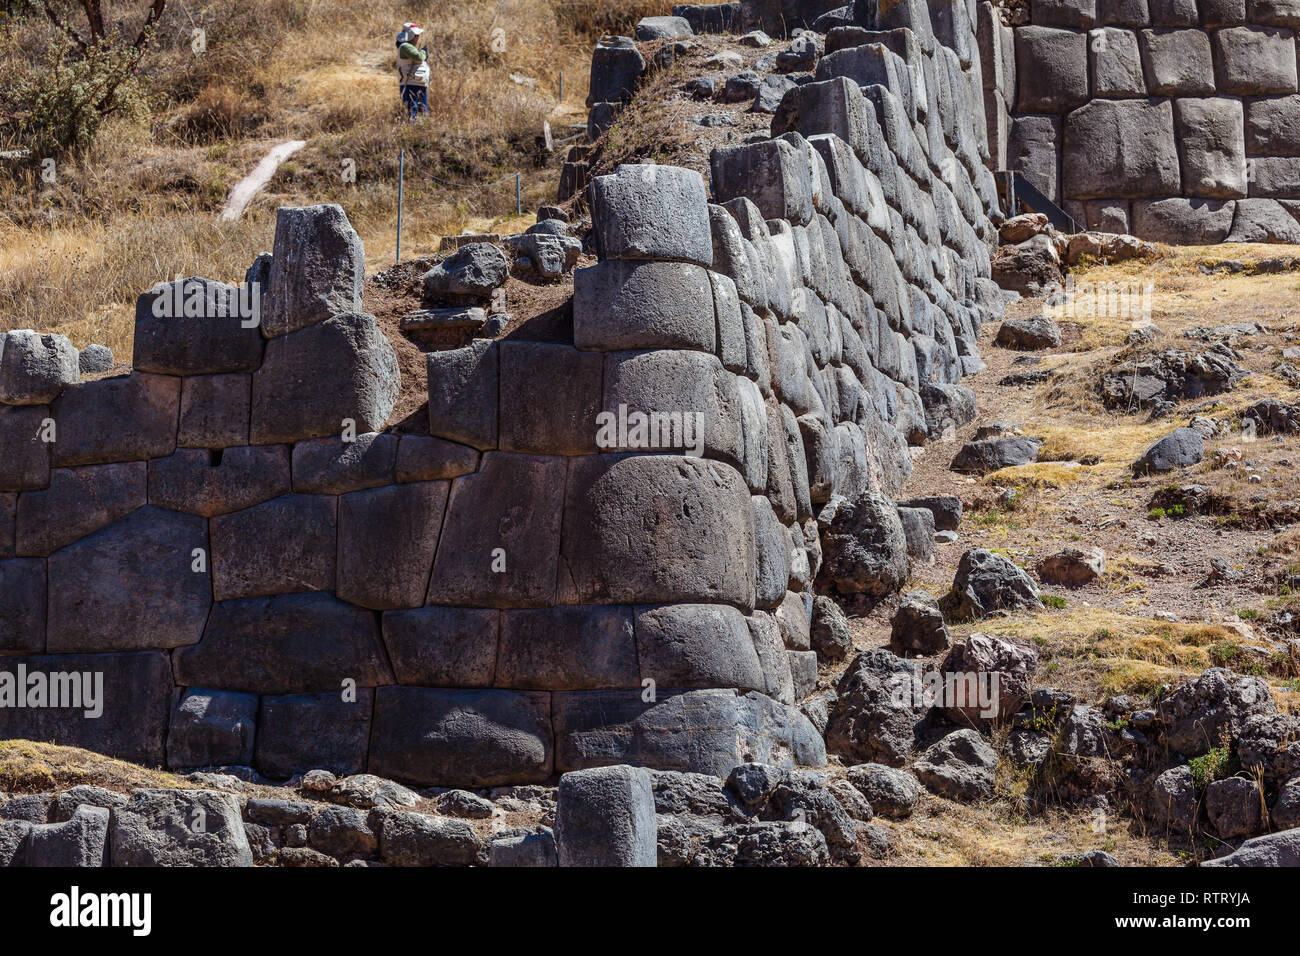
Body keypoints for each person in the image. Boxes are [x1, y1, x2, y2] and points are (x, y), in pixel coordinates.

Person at [395, 23, 429, 119]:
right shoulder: (406, 47)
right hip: (411, 83)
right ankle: (412, 129)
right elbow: (418, 57)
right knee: (412, 110)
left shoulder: (407, 47)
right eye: (416, 35)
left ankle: (420, 130)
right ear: (411, 35)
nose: (418, 37)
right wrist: (424, 52)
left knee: (421, 110)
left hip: (416, 82)